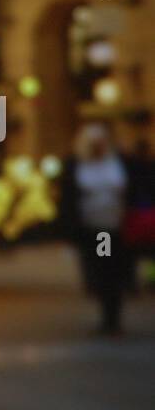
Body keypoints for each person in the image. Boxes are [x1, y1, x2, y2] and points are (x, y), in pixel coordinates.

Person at [60, 122, 135, 335]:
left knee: (111, 271)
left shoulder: (118, 163)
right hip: (95, 229)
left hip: (115, 228)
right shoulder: (78, 165)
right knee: (101, 271)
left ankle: (112, 315)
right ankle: (108, 314)